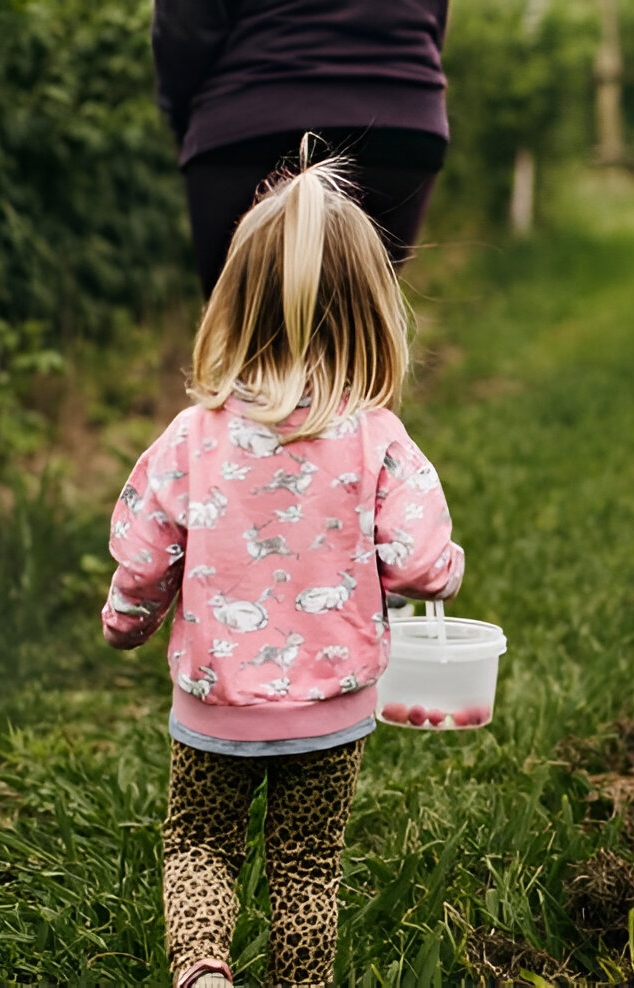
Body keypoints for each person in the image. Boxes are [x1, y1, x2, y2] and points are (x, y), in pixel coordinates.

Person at [101, 152, 465, 988]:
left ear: (233, 303)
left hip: (214, 703)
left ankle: (202, 972)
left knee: (199, 840)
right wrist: (449, 569)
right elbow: (418, 566)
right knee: (308, 863)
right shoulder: (375, 437)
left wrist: (124, 622)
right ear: (371, 312)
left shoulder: (193, 437)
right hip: (330, 710)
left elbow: (145, 556)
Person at [152, 0, 451, 297]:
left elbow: (184, 27)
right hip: (400, 121)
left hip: (246, 123)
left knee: (240, 321)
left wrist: (188, 123)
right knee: (359, 320)